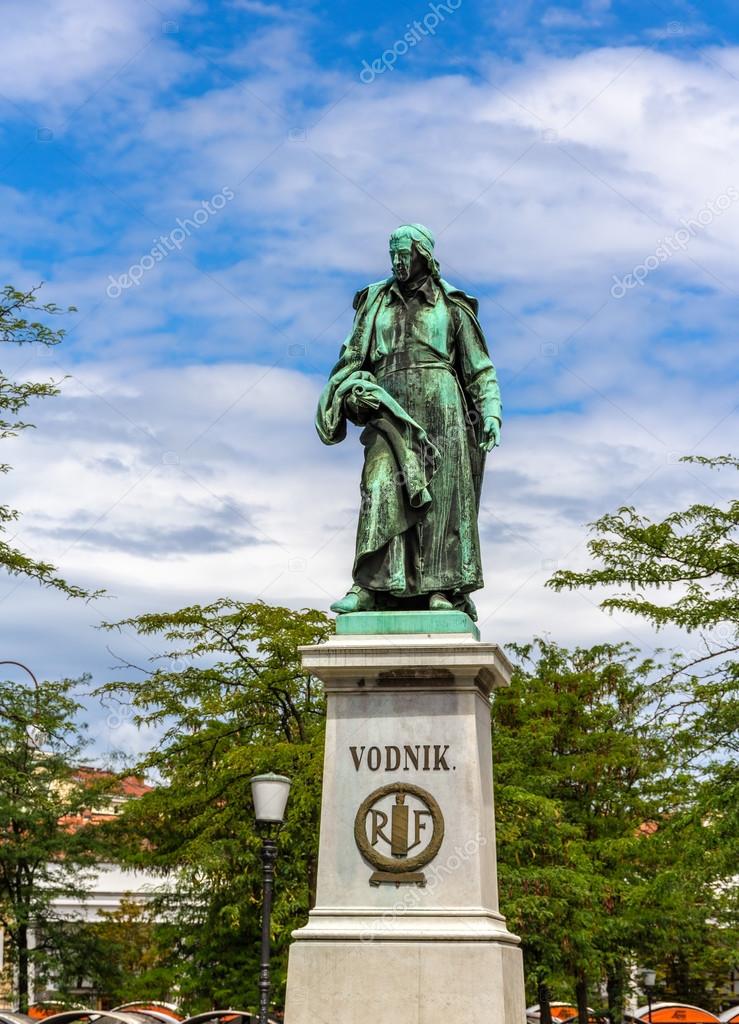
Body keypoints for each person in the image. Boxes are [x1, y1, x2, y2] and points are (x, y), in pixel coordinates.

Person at [315, 223, 501, 620]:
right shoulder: (375, 302)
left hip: (444, 408)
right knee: (379, 485)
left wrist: (490, 412)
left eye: (406, 254)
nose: (399, 262)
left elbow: (480, 369)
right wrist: (350, 393)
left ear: (424, 255)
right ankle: (369, 587)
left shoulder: (452, 306)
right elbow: (352, 361)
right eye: (393, 255)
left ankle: (441, 587)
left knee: (442, 499)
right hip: (389, 408)